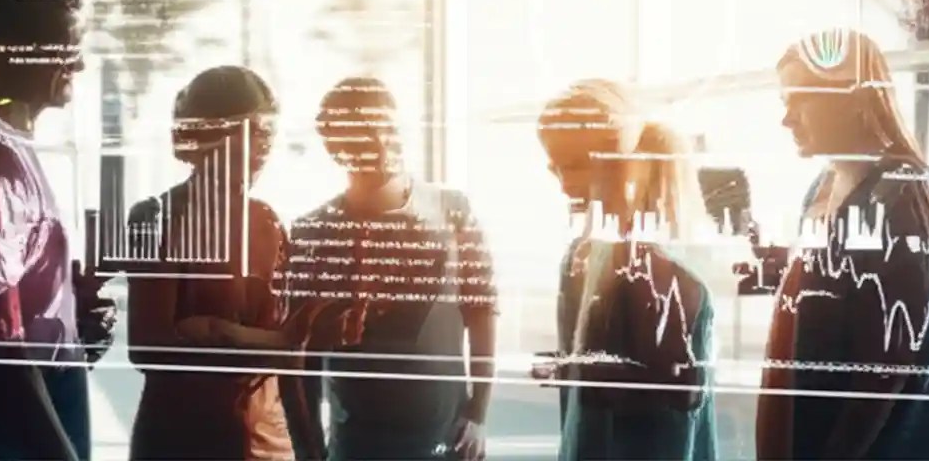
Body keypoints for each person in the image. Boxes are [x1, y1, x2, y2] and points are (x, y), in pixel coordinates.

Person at [756, 29, 929, 460]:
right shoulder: (821, 189)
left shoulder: (906, 192)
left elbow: (888, 365)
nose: (787, 119)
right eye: (786, 103)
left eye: (800, 99)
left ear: (852, 98)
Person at [287, 77, 497, 461]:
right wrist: (309, 451)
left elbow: (481, 308)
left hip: (445, 439)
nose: (381, 145)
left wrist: (478, 412)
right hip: (358, 444)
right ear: (336, 149)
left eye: (386, 129)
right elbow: (300, 358)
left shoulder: (452, 210)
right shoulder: (314, 231)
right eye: (363, 136)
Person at [0, 0, 104, 460]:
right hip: (8, 425)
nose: (79, 64)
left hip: (33, 401)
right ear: (14, 49)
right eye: (68, 45)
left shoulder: (4, 144)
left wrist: (66, 320)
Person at [125, 66, 301, 460]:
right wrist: (264, 342)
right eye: (253, 135)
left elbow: (293, 348)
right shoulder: (154, 217)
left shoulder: (267, 221)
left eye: (267, 137)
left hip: (265, 443)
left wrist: (220, 331)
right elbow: (148, 347)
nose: (263, 151)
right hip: (180, 441)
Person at [536, 78, 718, 461]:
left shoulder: (649, 263)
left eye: (574, 167)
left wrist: (578, 371)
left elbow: (679, 388)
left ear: (621, 162)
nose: (565, 184)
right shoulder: (590, 253)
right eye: (555, 169)